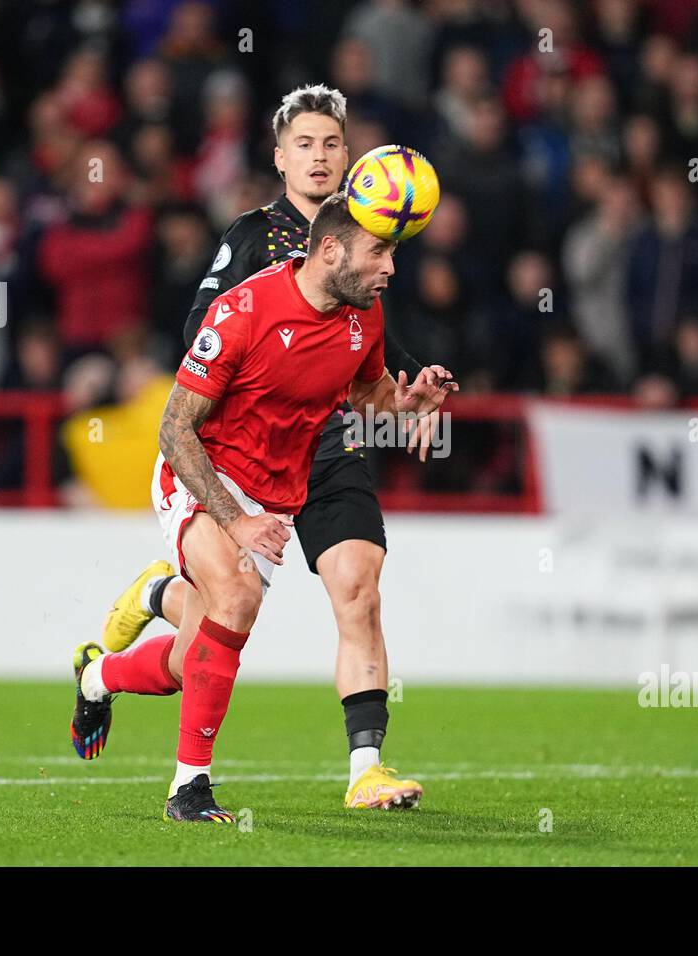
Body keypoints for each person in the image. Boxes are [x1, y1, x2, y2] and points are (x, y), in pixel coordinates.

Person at [88, 85, 448, 809]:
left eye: (332, 143)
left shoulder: (362, 301)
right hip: (212, 461)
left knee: (226, 646)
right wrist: (234, 512)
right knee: (238, 596)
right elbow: (176, 421)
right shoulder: (249, 283)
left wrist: (403, 401)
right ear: (280, 159)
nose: (393, 268)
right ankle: (189, 787)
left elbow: (366, 384)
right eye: (383, 254)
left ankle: (105, 674)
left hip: (306, 462)